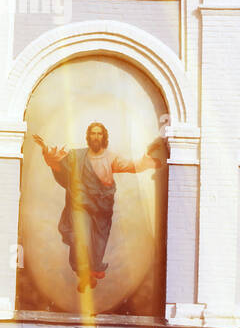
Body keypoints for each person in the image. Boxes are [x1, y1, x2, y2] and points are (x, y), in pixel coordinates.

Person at [32, 122, 164, 293]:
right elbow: (58, 162)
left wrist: (147, 161)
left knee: (98, 244)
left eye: (99, 134)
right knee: (81, 237)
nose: (95, 137)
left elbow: (131, 166)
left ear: (104, 137)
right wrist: (45, 149)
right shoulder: (77, 156)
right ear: (88, 136)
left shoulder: (111, 158)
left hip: (102, 208)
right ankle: (83, 274)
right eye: (92, 134)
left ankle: (90, 274)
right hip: (81, 205)